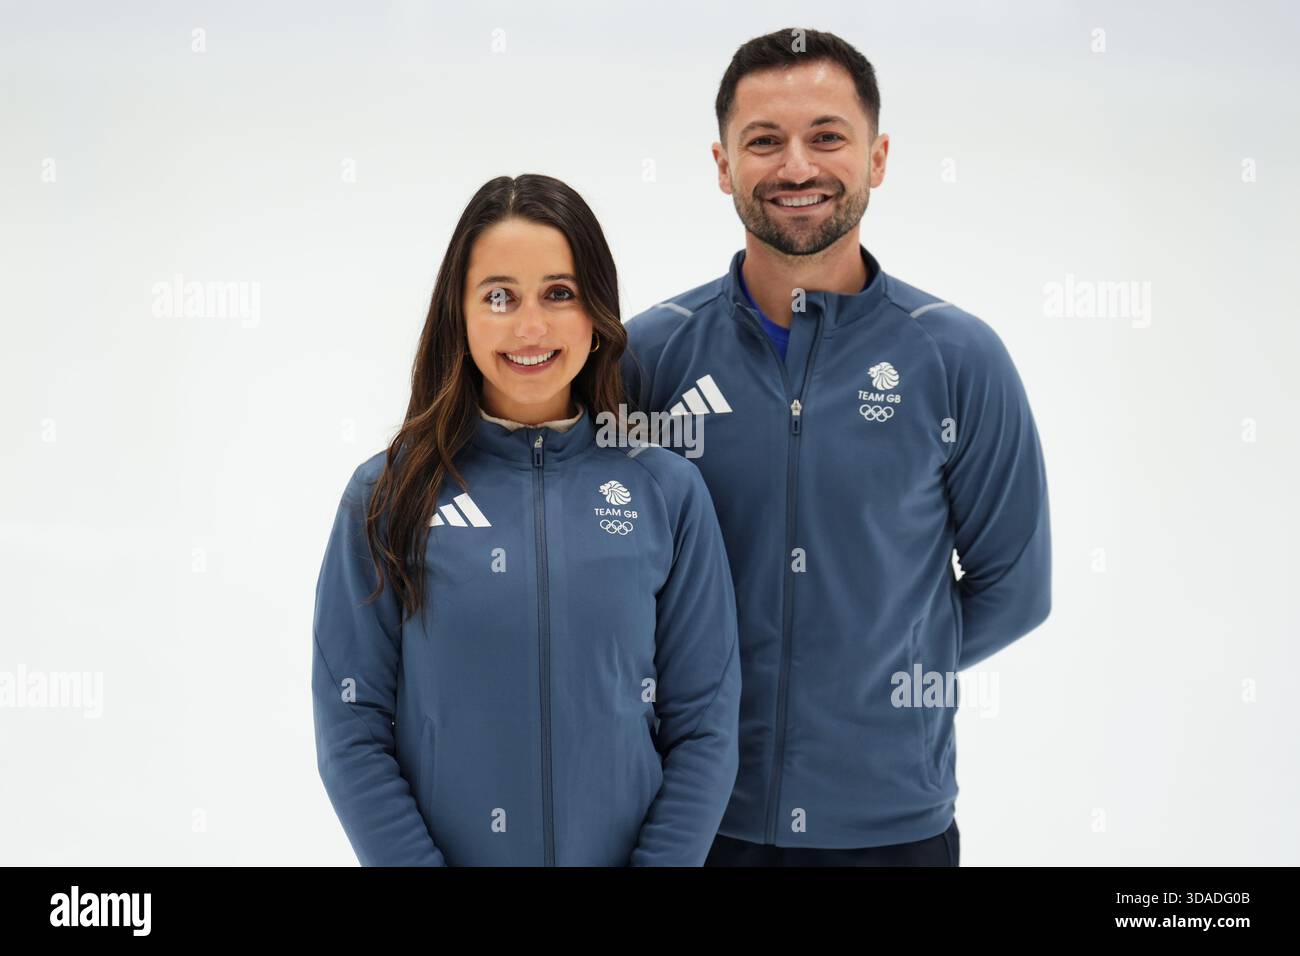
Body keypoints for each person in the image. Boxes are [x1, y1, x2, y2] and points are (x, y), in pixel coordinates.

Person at [621, 28, 1052, 866]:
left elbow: (1016, 587)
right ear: (721, 165)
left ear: (878, 156)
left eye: (827, 136)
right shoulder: (650, 357)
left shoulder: (955, 357)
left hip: (893, 826)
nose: (796, 168)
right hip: (690, 823)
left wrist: (871, 676)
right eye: (764, 141)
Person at [312, 173, 741, 866]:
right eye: (500, 297)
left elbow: (707, 730)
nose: (531, 327)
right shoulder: (388, 495)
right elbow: (350, 729)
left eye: (559, 294)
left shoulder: (667, 492)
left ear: (596, 312)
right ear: (461, 311)